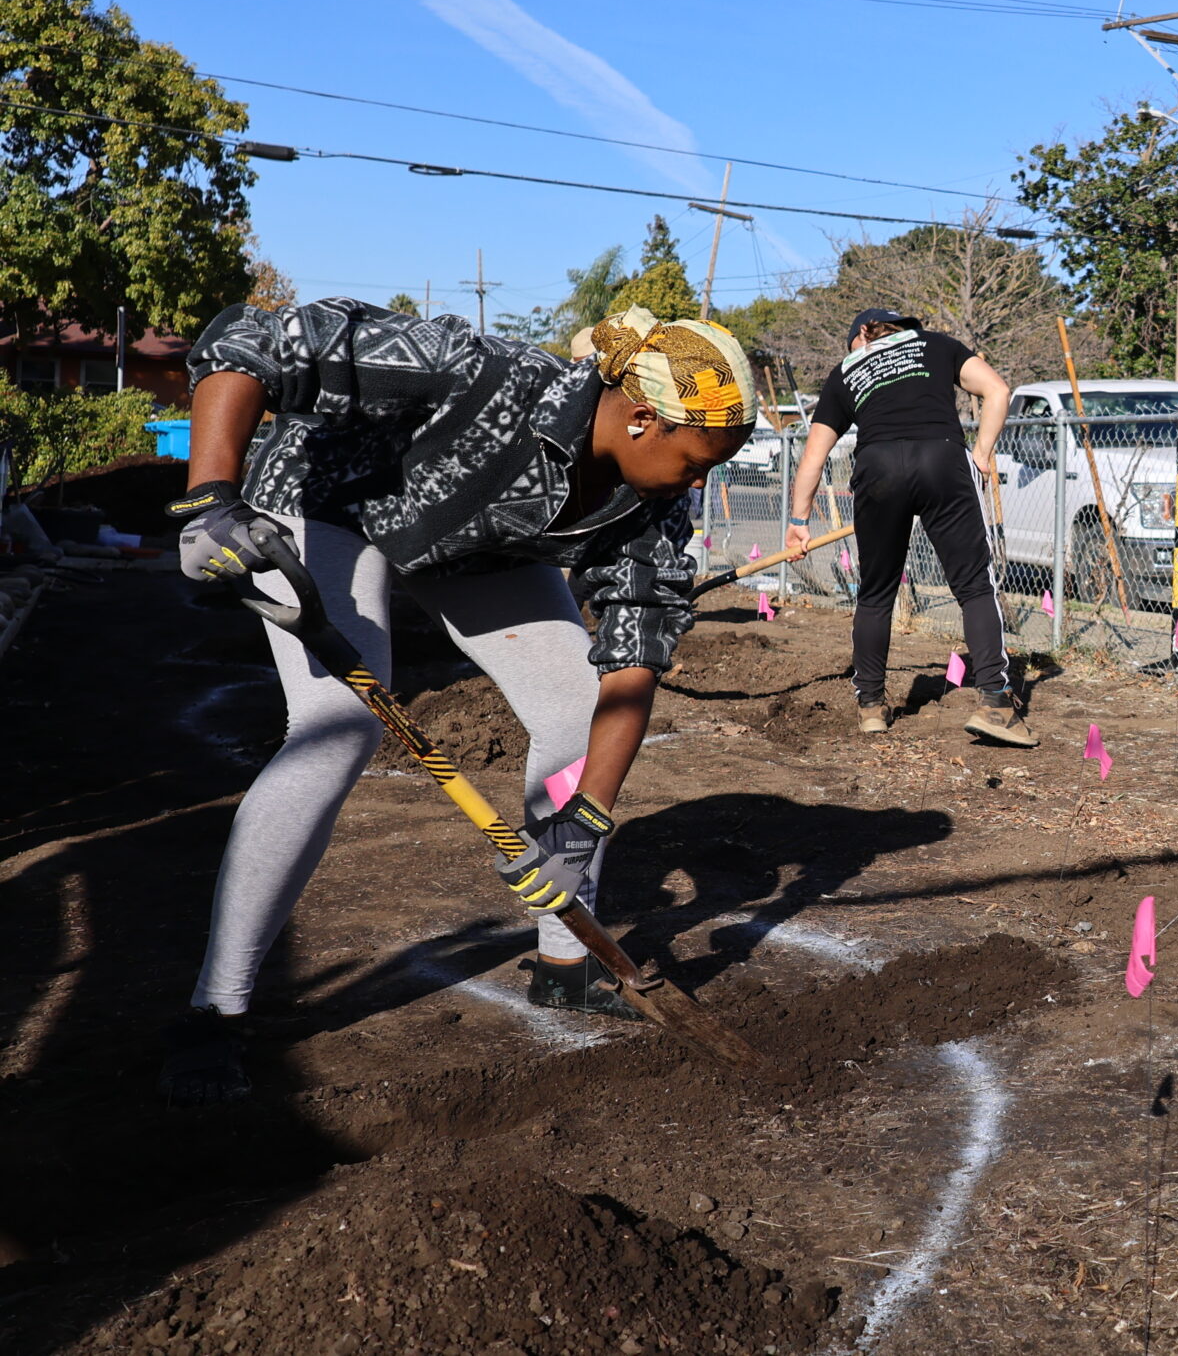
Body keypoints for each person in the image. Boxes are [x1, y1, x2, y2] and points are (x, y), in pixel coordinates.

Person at [160, 301, 757, 1105]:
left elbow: (634, 661)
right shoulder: (477, 373)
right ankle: (213, 1014)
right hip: (325, 501)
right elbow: (253, 339)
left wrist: (585, 819)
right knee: (336, 728)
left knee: (577, 710)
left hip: (469, 538)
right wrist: (210, 495)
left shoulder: (653, 510)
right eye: (697, 462)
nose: (701, 481)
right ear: (643, 419)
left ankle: (565, 960)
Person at [782, 308, 1032, 745]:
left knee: (876, 594)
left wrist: (799, 522)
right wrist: (983, 452)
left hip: (877, 467)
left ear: (864, 333)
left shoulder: (846, 372)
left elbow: (813, 456)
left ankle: (872, 708)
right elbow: (998, 389)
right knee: (973, 586)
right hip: (941, 458)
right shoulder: (937, 345)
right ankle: (995, 702)